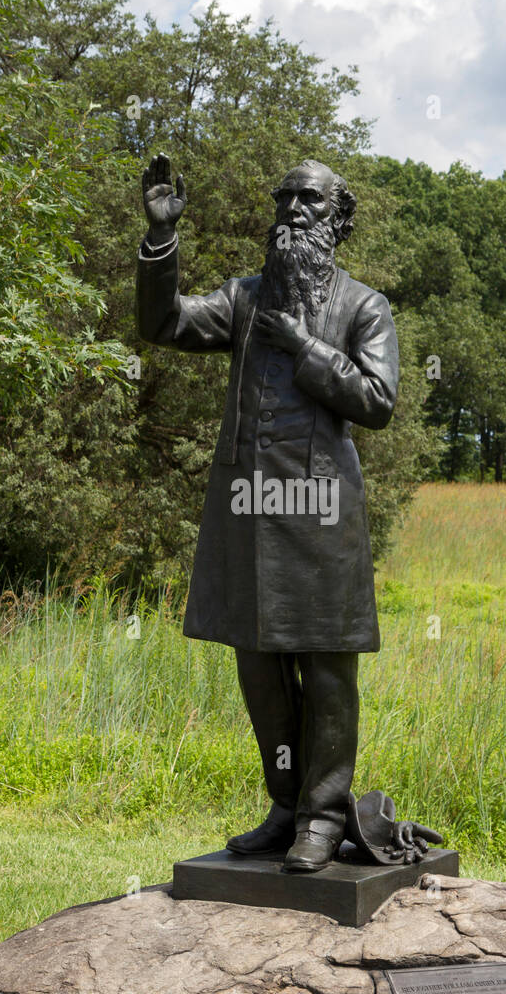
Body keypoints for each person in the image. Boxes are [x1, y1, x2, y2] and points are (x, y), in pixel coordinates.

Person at [135, 153, 399, 871]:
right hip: (247, 509)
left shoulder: (363, 307)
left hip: (320, 511)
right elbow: (165, 323)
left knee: (326, 669)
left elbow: (377, 402)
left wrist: (305, 346)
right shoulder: (245, 298)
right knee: (258, 664)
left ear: (338, 219)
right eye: (283, 199)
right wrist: (161, 239)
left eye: (309, 202)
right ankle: (285, 805)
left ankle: (322, 817)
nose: (291, 212)